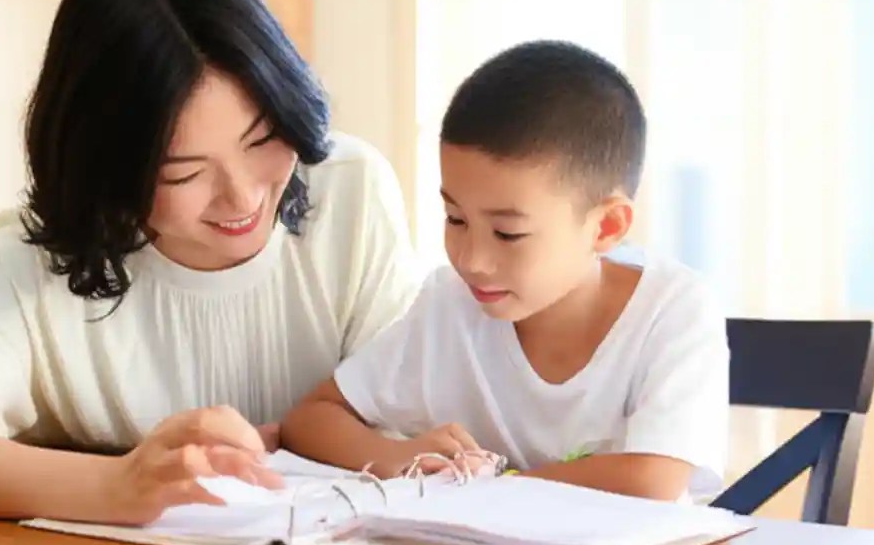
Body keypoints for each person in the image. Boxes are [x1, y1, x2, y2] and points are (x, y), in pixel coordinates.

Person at [0, 0, 420, 525]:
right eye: (184, 171)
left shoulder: (347, 191)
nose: (242, 196)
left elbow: (407, 410)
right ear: (105, 167)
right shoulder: (37, 260)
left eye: (263, 139)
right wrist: (115, 483)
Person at [280, 40, 729, 501]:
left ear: (606, 226)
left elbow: (651, 481)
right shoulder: (450, 305)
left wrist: (480, 487)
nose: (472, 260)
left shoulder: (674, 309)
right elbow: (312, 418)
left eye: (508, 234)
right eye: (456, 219)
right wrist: (399, 458)